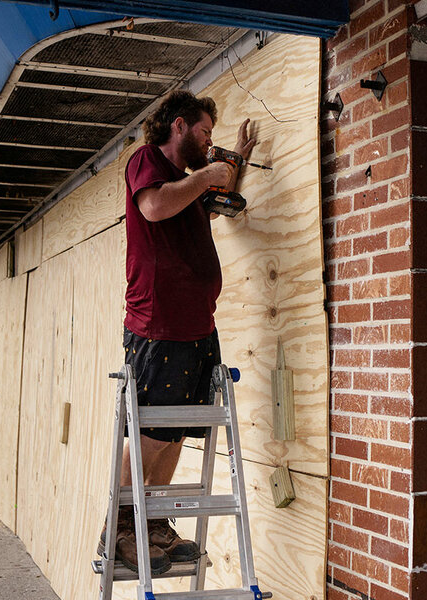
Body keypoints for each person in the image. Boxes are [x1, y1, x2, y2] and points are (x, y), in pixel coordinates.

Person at [98, 90, 255, 575]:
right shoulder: (147, 162)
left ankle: (154, 521)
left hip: (197, 327)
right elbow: (153, 207)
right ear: (179, 125)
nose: (209, 142)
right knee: (149, 433)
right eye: (205, 132)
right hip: (159, 327)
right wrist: (207, 174)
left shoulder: (189, 185)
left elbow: (219, 203)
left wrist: (235, 162)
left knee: (173, 434)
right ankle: (120, 528)